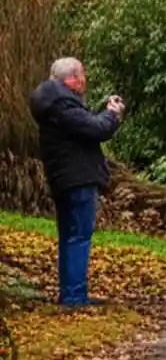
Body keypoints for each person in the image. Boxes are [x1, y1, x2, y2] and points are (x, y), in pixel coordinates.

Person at [28, 58, 126, 307]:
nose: (85, 80)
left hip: (64, 177)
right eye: (82, 75)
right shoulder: (62, 104)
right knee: (79, 237)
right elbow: (96, 129)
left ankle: (70, 292)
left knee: (69, 236)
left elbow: (83, 125)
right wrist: (112, 114)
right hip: (78, 177)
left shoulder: (53, 102)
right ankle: (74, 296)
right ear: (72, 79)